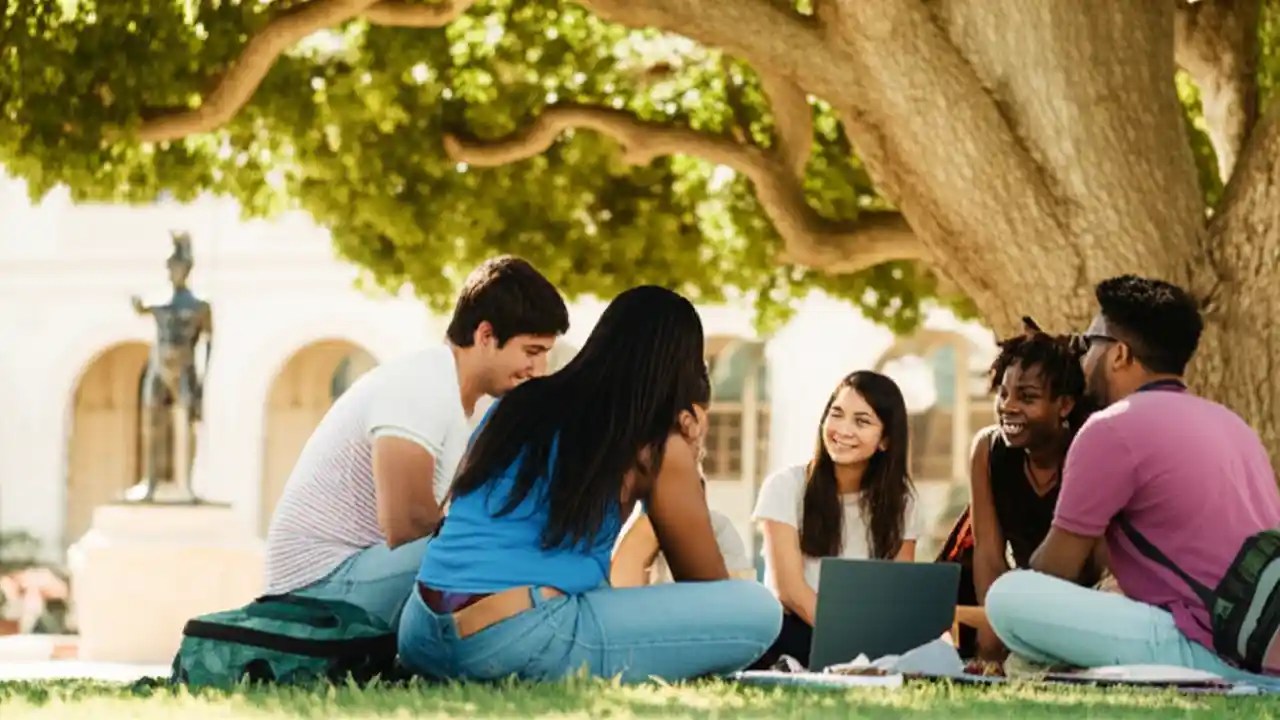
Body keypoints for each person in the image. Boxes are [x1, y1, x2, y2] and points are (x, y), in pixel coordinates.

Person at [397, 286, 782, 683]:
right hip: (515, 638)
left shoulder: (517, 405)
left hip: (422, 635)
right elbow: (708, 587)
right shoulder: (653, 445)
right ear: (680, 369)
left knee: (590, 587)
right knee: (757, 608)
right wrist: (690, 451)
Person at [986, 275, 1280, 680]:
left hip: (1206, 646)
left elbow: (1054, 570)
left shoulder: (1113, 428)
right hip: (1260, 640)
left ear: (1119, 354)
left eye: (1088, 345)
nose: (1081, 359)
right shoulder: (1232, 424)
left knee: (1009, 597)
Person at [263, 256, 569, 628]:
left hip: (356, 576)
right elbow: (406, 523)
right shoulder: (423, 382)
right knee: (502, 554)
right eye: (532, 352)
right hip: (314, 588)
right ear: (486, 336)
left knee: (512, 551)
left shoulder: (462, 403)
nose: (539, 370)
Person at [937, 318, 1100, 660]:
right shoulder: (987, 450)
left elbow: (1101, 563)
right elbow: (988, 555)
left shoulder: (1090, 450)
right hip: (1017, 598)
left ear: (1065, 405)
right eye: (1004, 393)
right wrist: (993, 639)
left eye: (1027, 397)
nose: (1009, 406)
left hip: (1088, 603)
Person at [750, 370, 921, 669]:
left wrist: (874, 643)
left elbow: (898, 593)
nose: (843, 430)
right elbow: (788, 590)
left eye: (862, 421)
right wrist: (850, 641)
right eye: (836, 414)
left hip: (869, 634)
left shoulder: (903, 502)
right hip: (795, 627)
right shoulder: (785, 487)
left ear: (885, 441)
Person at [611, 474, 756, 587]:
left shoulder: (718, 528)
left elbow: (736, 595)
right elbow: (621, 590)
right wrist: (650, 529)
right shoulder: (641, 532)